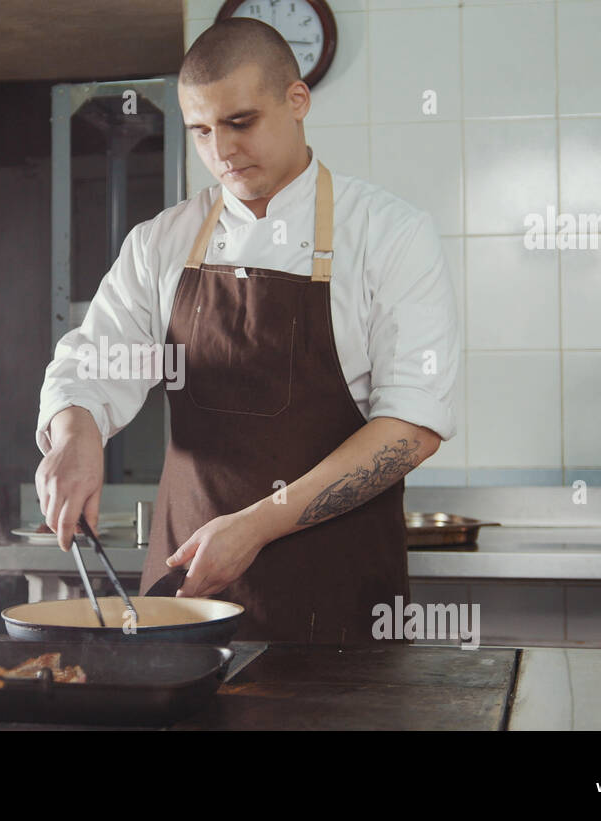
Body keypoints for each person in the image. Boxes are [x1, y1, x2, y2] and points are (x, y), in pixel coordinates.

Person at [34, 18, 459, 644]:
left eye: (240, 122)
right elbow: (93, 367)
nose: (221, 152)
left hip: (341, 602)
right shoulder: (162, 242)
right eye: (201, 131)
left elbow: (412, 428)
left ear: (297, 101)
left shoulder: (389, 234)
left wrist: (256, 526)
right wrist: (74, 430)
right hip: (189, 599)